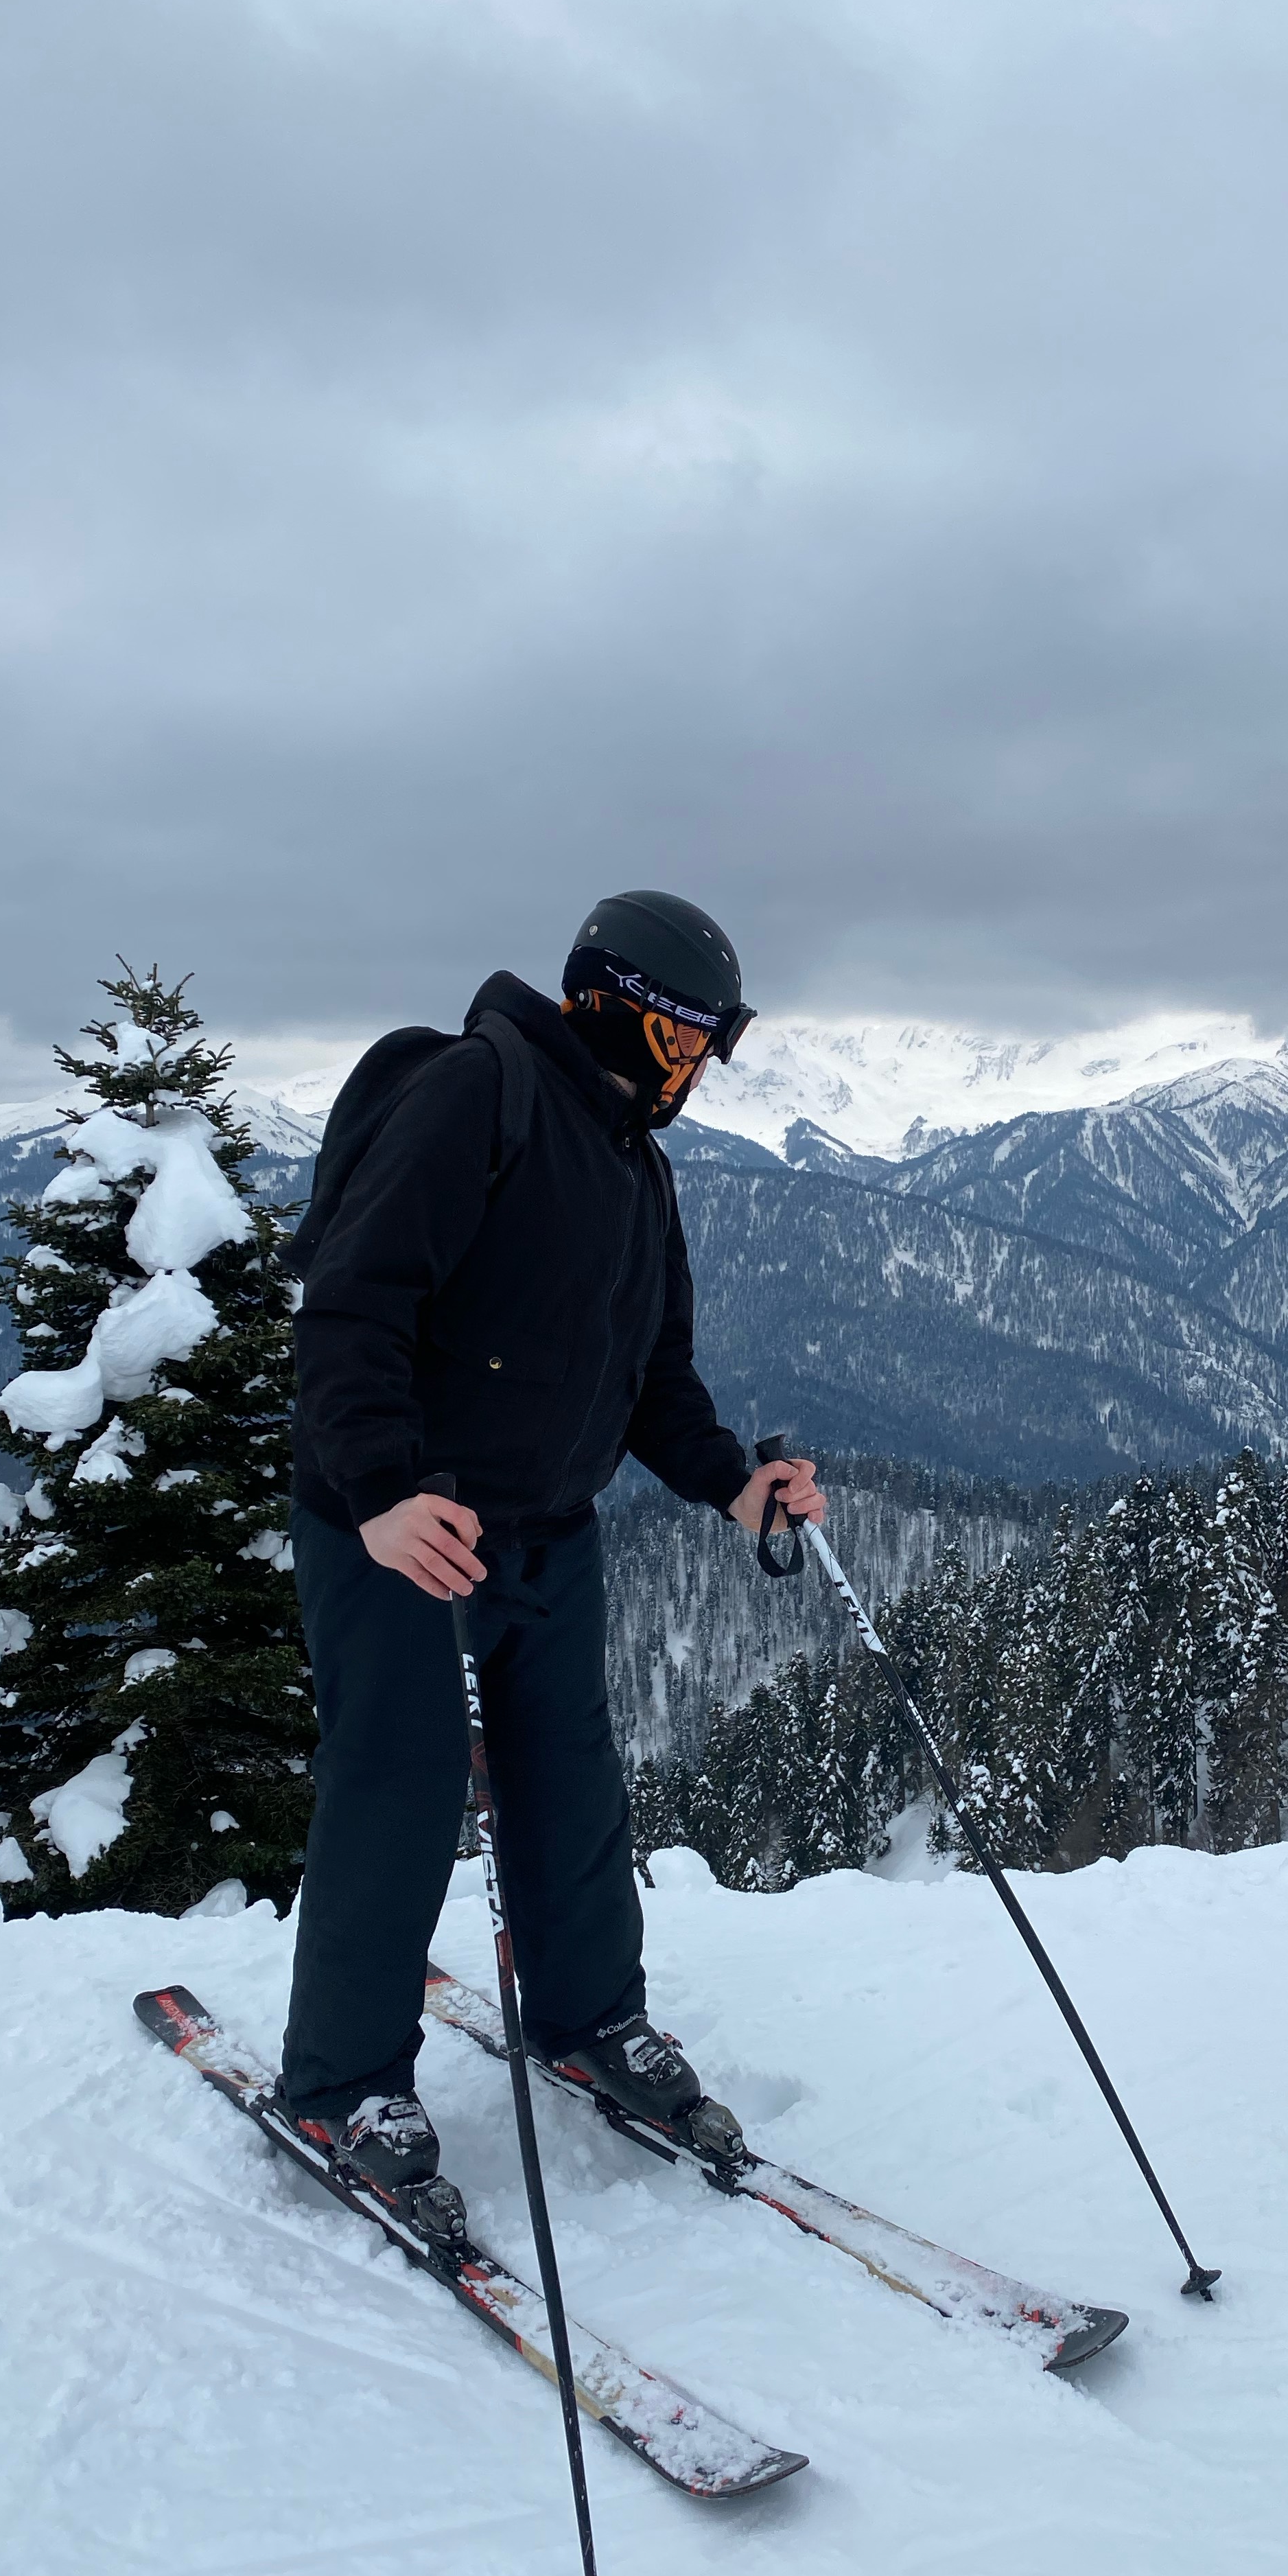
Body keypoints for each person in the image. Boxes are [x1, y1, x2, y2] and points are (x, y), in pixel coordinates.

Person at [279, 889, 823, 2194]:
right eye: (682, 1040)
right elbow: (349, 1306)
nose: (692, 1070)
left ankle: (586, 2018)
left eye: (709, 1049)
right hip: (408, 1529)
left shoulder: (638, 1163)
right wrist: (380, 1494)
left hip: (547, 1531)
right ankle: (346, 2086)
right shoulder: (478, 1095)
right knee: (401, 1788)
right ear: (614, 1008)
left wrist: (729, 1485)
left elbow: (654, 1378)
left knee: (571, 1780)